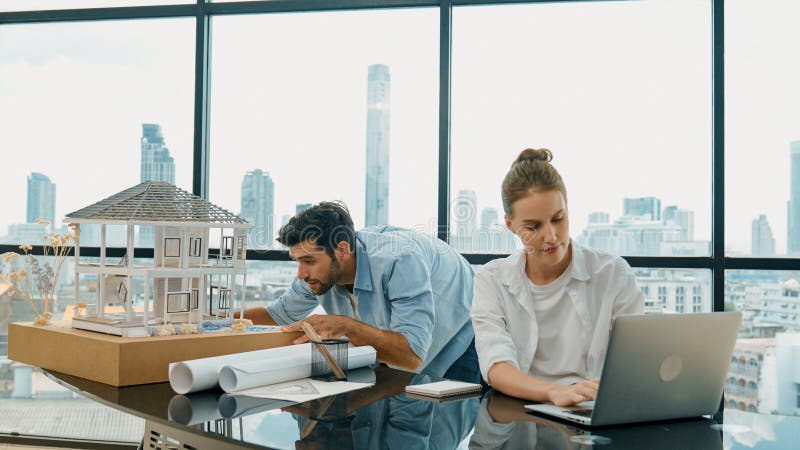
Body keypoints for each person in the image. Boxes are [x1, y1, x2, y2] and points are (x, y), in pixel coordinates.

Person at [470, 148, 644, 406]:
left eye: (558, 219)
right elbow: (496, 366)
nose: (550, 236)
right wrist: (553, 392)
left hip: (593, 410)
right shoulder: (492, 279)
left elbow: (635, 358)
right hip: (520, 410)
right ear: (510, 225)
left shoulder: (613, 274)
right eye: (533, 227)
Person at [243, 201, 479, 382]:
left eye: (308, 261)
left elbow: (410, 354)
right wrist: (214, 322)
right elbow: (278, 316)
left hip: (461, 325)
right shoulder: (314, 274)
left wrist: (345, 325)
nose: (301, 273)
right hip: (405, 338)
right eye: (297, 261)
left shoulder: (400, 261)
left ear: (342, 250)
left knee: (446, 408)